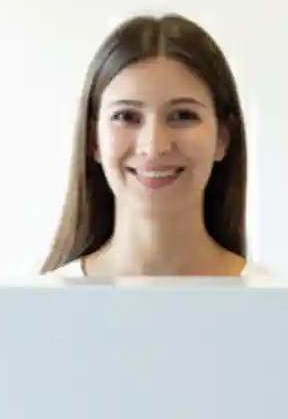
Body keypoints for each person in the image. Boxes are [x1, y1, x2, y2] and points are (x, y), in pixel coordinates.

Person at [41, 14, 264, 278]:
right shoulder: (36, 310)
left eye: (183, 115)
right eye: (126, 116)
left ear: (223, 138)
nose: (154, 146)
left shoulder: (285, 310)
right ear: (93, 139)